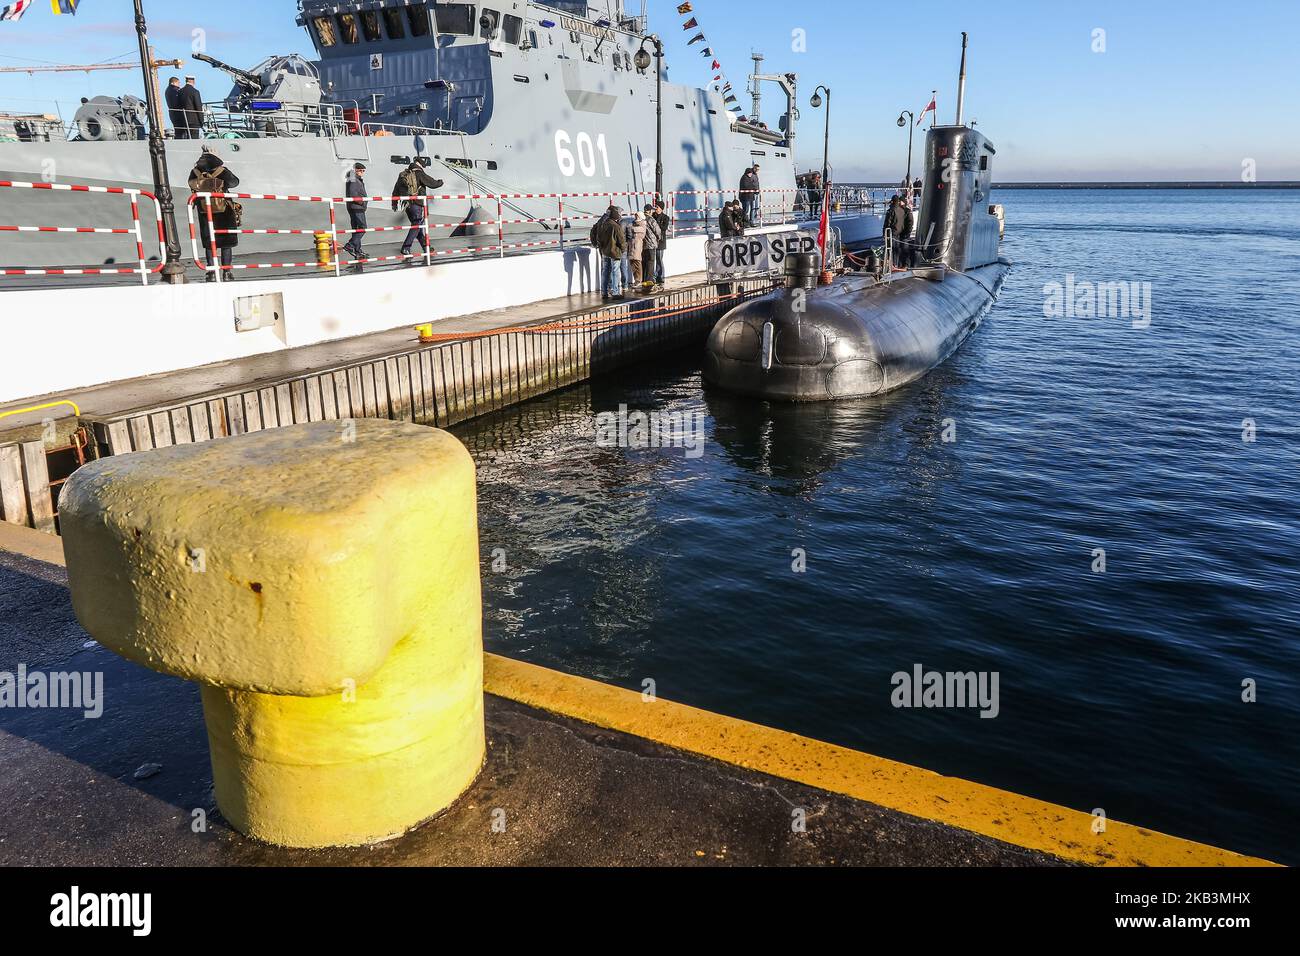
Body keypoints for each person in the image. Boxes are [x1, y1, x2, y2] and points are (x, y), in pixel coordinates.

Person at [188, 148, 240, 280]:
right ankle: (226, 272)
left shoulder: (195, 172)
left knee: (210, 242)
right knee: (226, 243)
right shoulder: (221, 171)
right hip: (224, 210)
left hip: (205, 210)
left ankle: (211, 272)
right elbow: (235, 182)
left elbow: (191, 184)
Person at [392, 156, 445, 259]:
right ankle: (406, 247)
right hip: (417, 204)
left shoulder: (403, 174)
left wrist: (394, 203)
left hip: (407, 204)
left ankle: (426, 248)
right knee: (417, 225)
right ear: (420, 164)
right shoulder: (419, 173)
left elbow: (396, 189)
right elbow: (432, 183)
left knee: (418, 227)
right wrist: (440, 182)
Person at [591, 204, 625, 300]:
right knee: (615, 272)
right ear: (616, 216)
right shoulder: (616, 226)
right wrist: (623, 250)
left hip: (605, 252)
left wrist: (599, 246)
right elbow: (621, 241)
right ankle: (615, 292)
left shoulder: (603, 224)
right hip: (614, 253)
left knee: (605, 272)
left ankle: (604, 292)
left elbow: (597, 237)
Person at [342, 163, 369, 262]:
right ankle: (350, 245)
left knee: (356, 229)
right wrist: (362, 202)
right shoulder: (354, 179)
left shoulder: (353, 178)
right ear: (356, 170)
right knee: (362, 228)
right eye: (361, 170)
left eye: (363, 171)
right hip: (357, 207)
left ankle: (357, 251)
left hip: (354, 207)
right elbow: (353, 193)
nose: (362, 173)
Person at [641, 203, 662, 292]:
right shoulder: (650, 219)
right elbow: (657, 230)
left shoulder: (641, 219)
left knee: (644, 264)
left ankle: (644, 282)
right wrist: (659, 238)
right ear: (649, 211)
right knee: (650, 263)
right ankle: (649, 284)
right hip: (651, 244)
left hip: (643, 245)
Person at [627, 210, 646, 288]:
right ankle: (636, 280)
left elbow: (641, 233)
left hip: (637, 246)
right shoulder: (633, 224)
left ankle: (639, 281)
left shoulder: (643, 224)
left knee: (637, 263)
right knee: (632, 264)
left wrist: (631, 228)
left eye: (637, 216)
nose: (635, 217)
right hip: (632, 246)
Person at [652, 201, 670, 285]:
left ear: (661, 208)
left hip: (661, 241)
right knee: (654, 259)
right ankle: (656, 275)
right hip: (653, 240)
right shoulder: (653, 216)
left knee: (659, 259)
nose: (656, 208)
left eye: (657, 207)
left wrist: (656, 224)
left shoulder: (665, 217)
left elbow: (664, 228)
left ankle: (661, 276)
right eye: (655, 206)